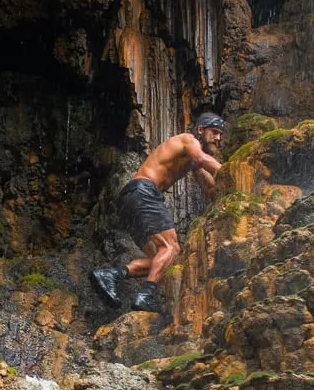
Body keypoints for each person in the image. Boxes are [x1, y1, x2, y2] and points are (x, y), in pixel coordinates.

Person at [91, 112, 225, 312]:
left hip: (128, 201)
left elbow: (210, 189)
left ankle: (112, 274)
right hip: (143, 191)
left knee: (160, 260)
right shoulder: (187, 140)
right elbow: (203, 158)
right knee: (171, 248)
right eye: (214, 132)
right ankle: (147, 295)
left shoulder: (192, 162)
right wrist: (229, 170)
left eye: (221, 134)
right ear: (200, 130)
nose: (218, 138)